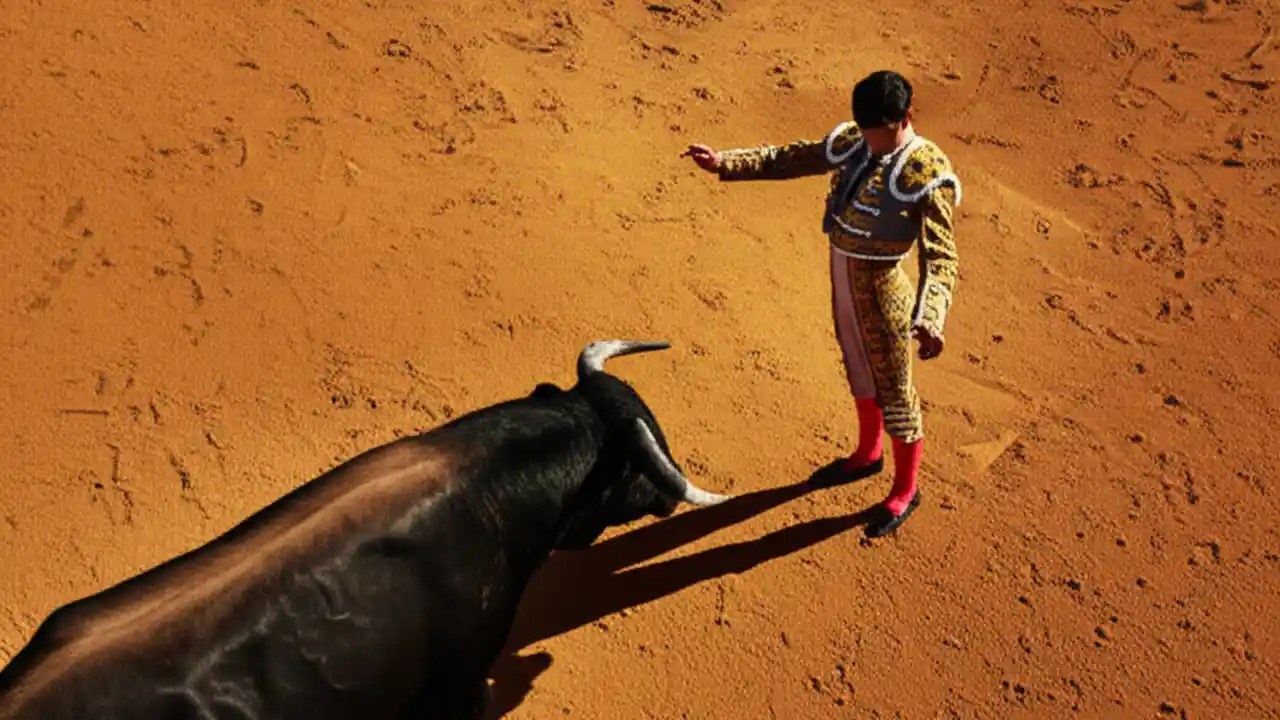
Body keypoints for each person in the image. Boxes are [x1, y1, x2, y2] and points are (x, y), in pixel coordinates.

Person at [681, 70, 961, 538]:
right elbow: (792, 158)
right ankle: (868, 453)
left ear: (906, 117)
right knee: (856, 364)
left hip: (883, 285)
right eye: (868, 130)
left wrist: (931, 317)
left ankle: (906, 488)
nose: (872, 142)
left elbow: (942, 253)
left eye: (882, 132)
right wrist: (725, 162)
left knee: (894, 384)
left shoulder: (927, 170)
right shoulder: (857, 139)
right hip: (843, 274)